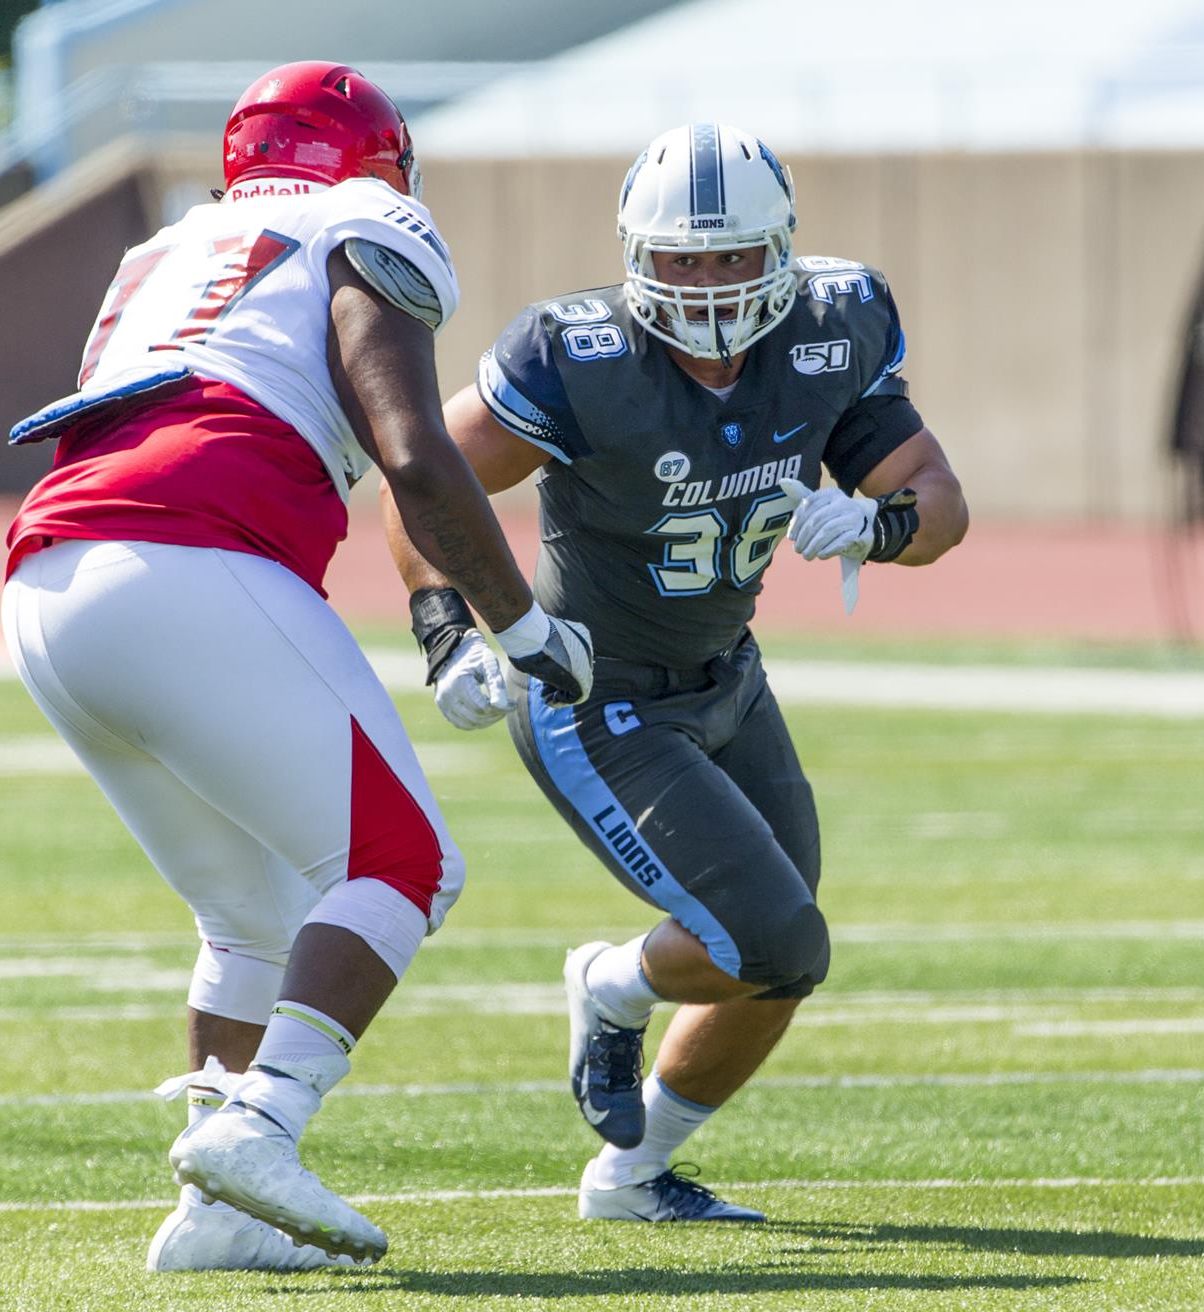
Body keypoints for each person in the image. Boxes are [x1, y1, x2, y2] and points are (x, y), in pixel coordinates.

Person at [0, 61, 592, 1269]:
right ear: (376, 161)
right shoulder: (365, 220)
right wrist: (523, 628)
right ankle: (260, 1128)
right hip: (188, 555)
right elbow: (416, 453)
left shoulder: (169, 245)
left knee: (248, 916)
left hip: (47, 579)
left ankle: (216, 1217)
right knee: (405, 862)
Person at [384, 123, 968, 1222]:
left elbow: (938, 498)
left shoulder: (833, 326)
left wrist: (874, 525)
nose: (704, 283)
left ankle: (631, 1173)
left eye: (731, 257)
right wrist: (444, 627)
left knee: (778, 955)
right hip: (592, 696)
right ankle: (606, 984)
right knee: (770, 933)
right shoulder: (573, 356)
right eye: (681, 258)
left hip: (726, 675)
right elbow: (422, 479)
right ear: (633, 253)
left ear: (780, 249)